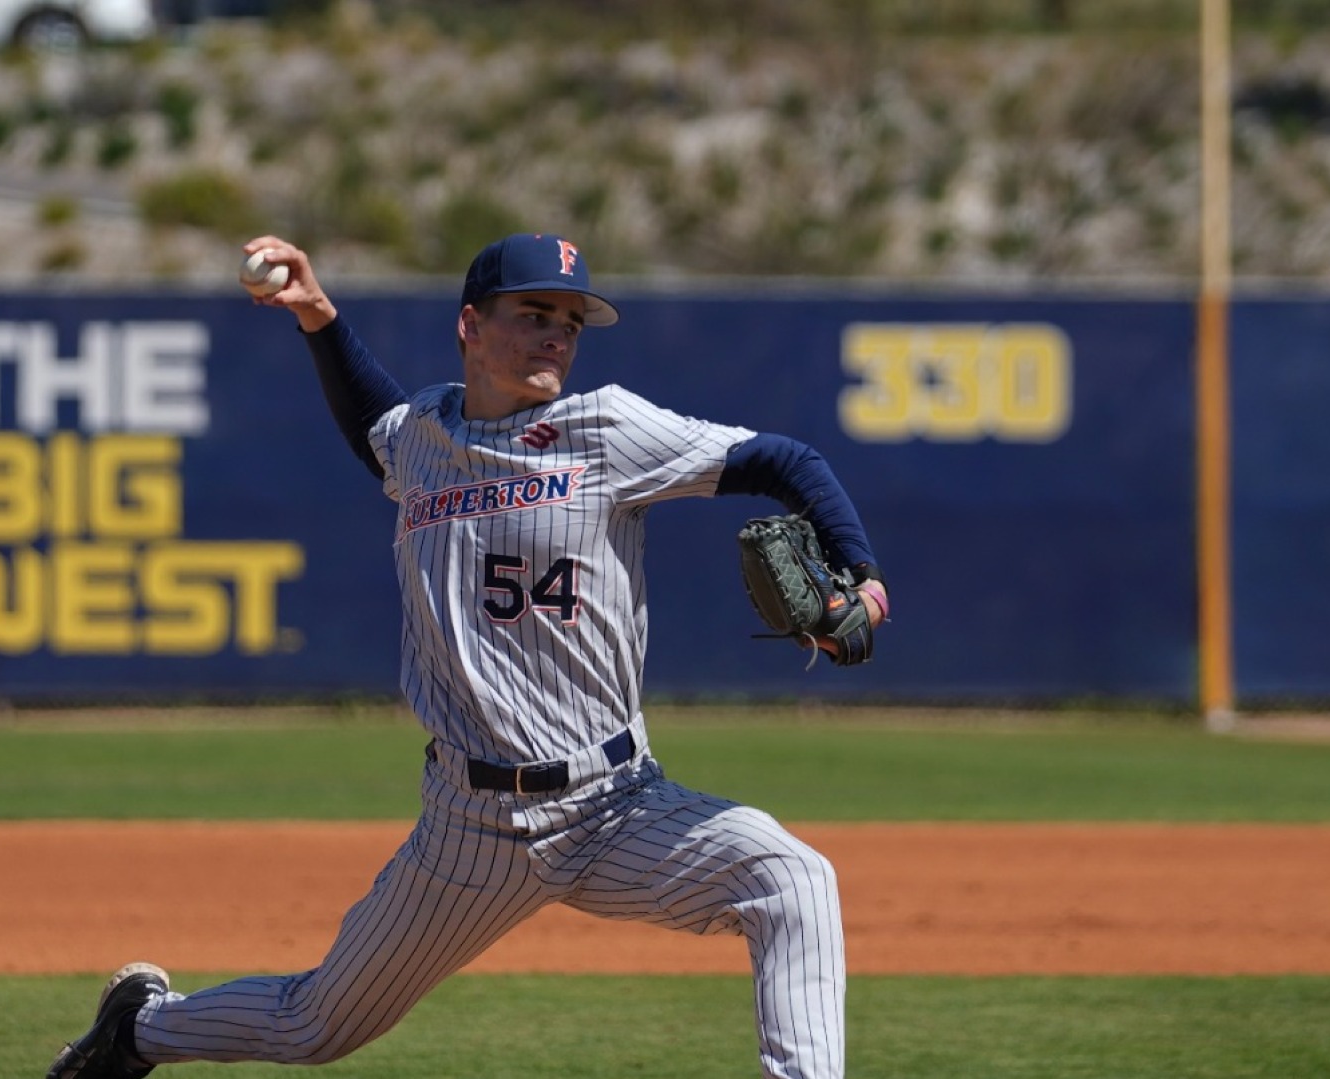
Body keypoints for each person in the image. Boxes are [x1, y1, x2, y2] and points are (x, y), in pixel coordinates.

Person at [46, 232, 888, 1079]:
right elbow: (373, 418)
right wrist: (317, 315)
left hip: (615, 804)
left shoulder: (607, 430)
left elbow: (787, 460)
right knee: (313, 1027)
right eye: (531, 313)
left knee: (792, 880)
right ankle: (139, 1031)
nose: (555, 333)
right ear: (470, 326)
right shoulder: (423, 438)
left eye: (569, 319)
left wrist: (865, 578)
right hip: (469, 824)